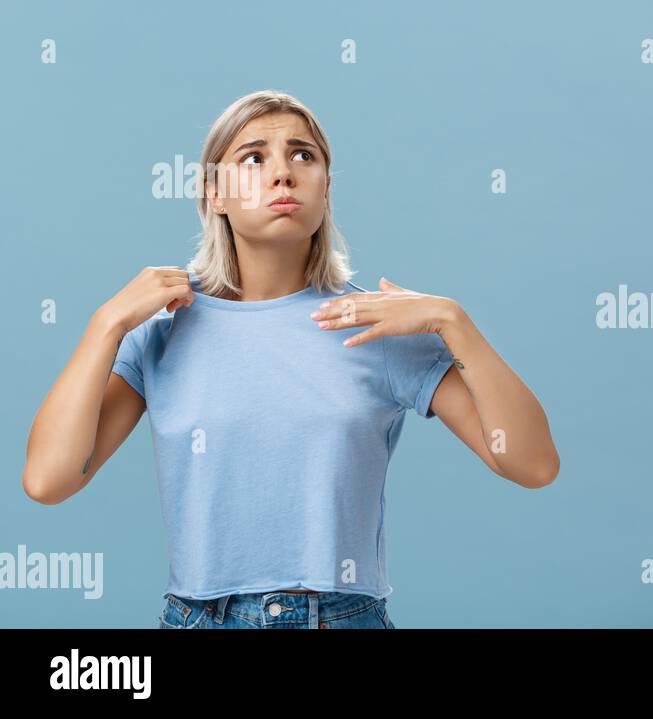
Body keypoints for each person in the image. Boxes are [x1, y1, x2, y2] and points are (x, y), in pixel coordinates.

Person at [22, 90, 560, 629]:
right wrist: (105, 326)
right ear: (215, 195)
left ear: (326, 187)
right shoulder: (160, 335)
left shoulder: (376, 323)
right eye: (253, 157)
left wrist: (454, 322)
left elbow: (532, 464)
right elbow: (50, 480)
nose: (283, 173)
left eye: (303, 155)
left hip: (338, 617)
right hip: (197, 618)